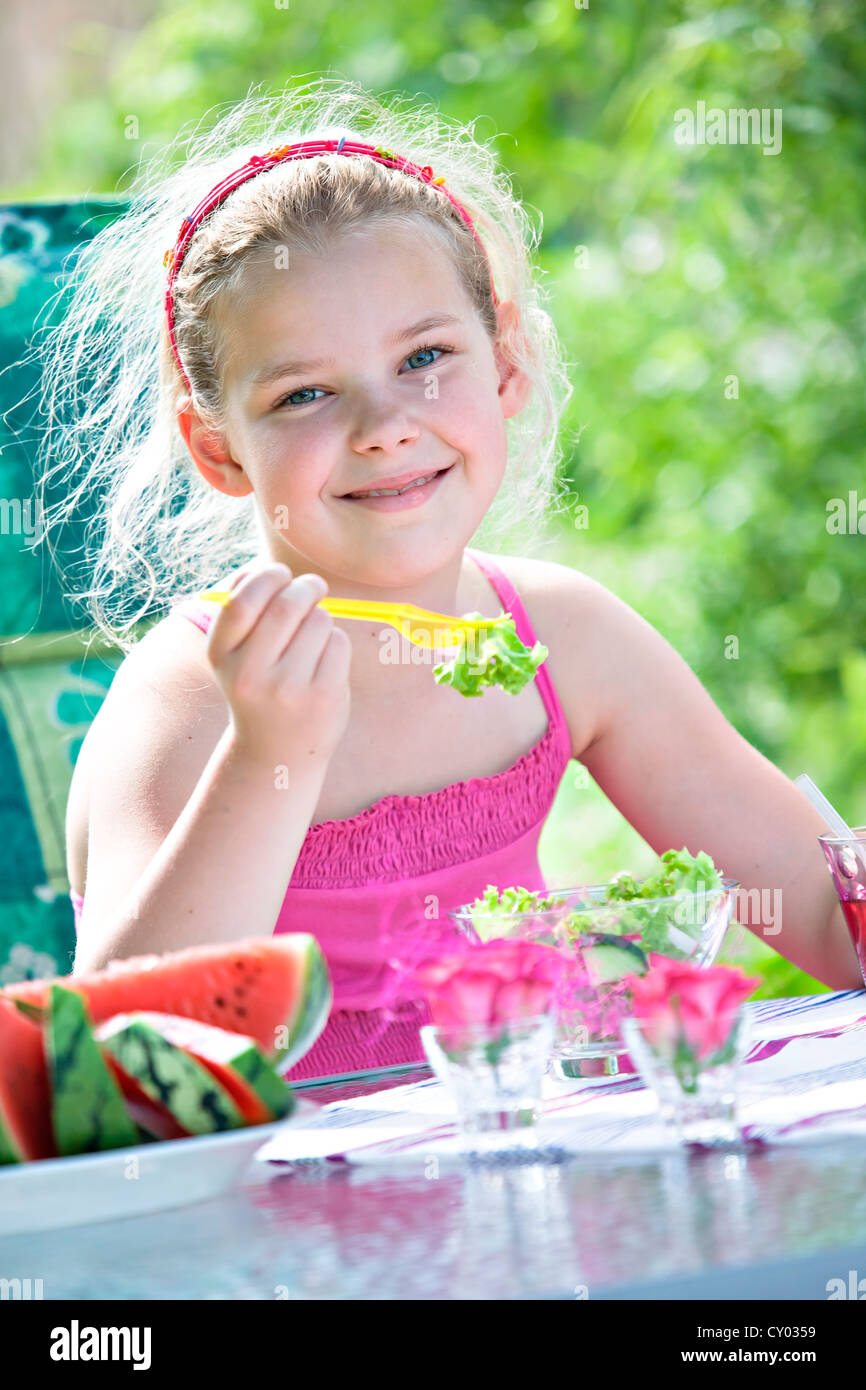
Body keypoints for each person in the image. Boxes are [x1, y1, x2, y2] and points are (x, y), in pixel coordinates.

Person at [35, 81, 861, 1081]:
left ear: (504, 363)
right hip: (274, 1222)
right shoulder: (193, 695)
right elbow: (118, 1068)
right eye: (304, 393)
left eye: (424, 356)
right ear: (217, 450)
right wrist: (268, 756)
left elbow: (822, 912)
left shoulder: (562, 638)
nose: (383, 424)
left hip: (526, 1187)